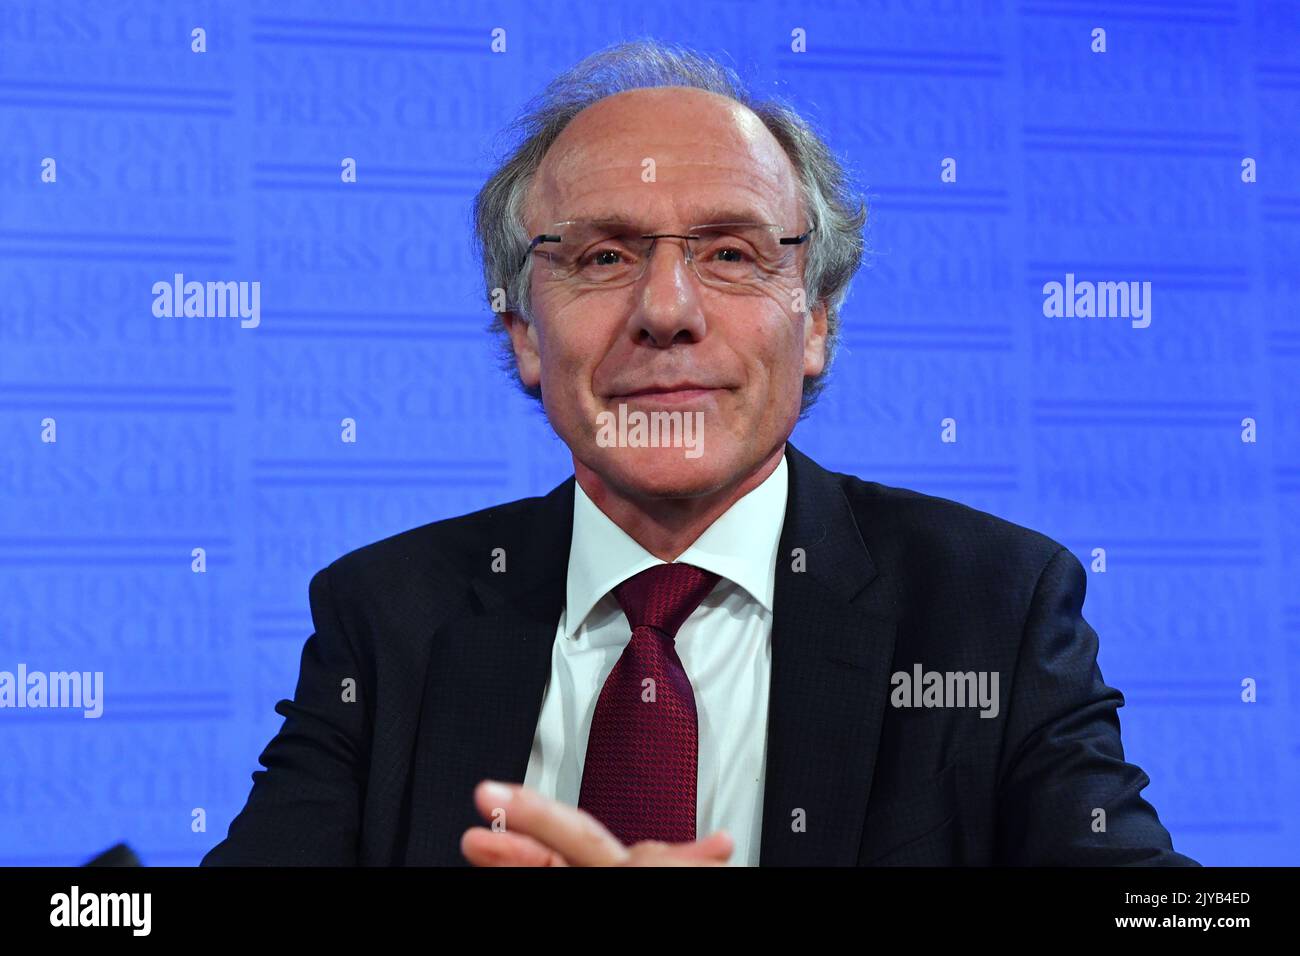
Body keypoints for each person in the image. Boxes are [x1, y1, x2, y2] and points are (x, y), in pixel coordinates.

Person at [202, 39, 1197, 867]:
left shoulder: (989, 603)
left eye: (730, 252)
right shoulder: (387, 614)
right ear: (520, 332)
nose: (666, 310)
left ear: (814, 322)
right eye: (600, 256)